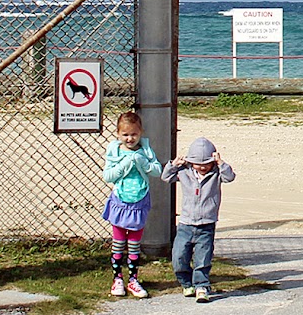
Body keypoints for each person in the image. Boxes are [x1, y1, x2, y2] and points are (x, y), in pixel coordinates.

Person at [161, 137, 236, 303]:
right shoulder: (184, 172)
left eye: (207, 163)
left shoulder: (216, 173)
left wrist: (220, 163)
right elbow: (166, 177)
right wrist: (174, 164)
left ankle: (202, 286)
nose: (202, 167)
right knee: (179, 257)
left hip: (206, 224)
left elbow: (230, 177)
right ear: (190, 161)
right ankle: (186, 283)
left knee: (203, 258)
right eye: (198, 164)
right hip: (186, 223)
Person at [101, 110, 161, 298]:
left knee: (134, 244)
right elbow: (108, 176)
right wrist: (124, 166)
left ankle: (133, 279)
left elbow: (157, 171)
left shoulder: (145, 150)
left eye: (133, 134)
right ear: (118, 134)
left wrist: (143, 162)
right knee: (118, 243)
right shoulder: (115, 150)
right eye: (125, 135)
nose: (130, 138)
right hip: (120, 200)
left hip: (139, 201)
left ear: (140, 132)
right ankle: (117, 278)